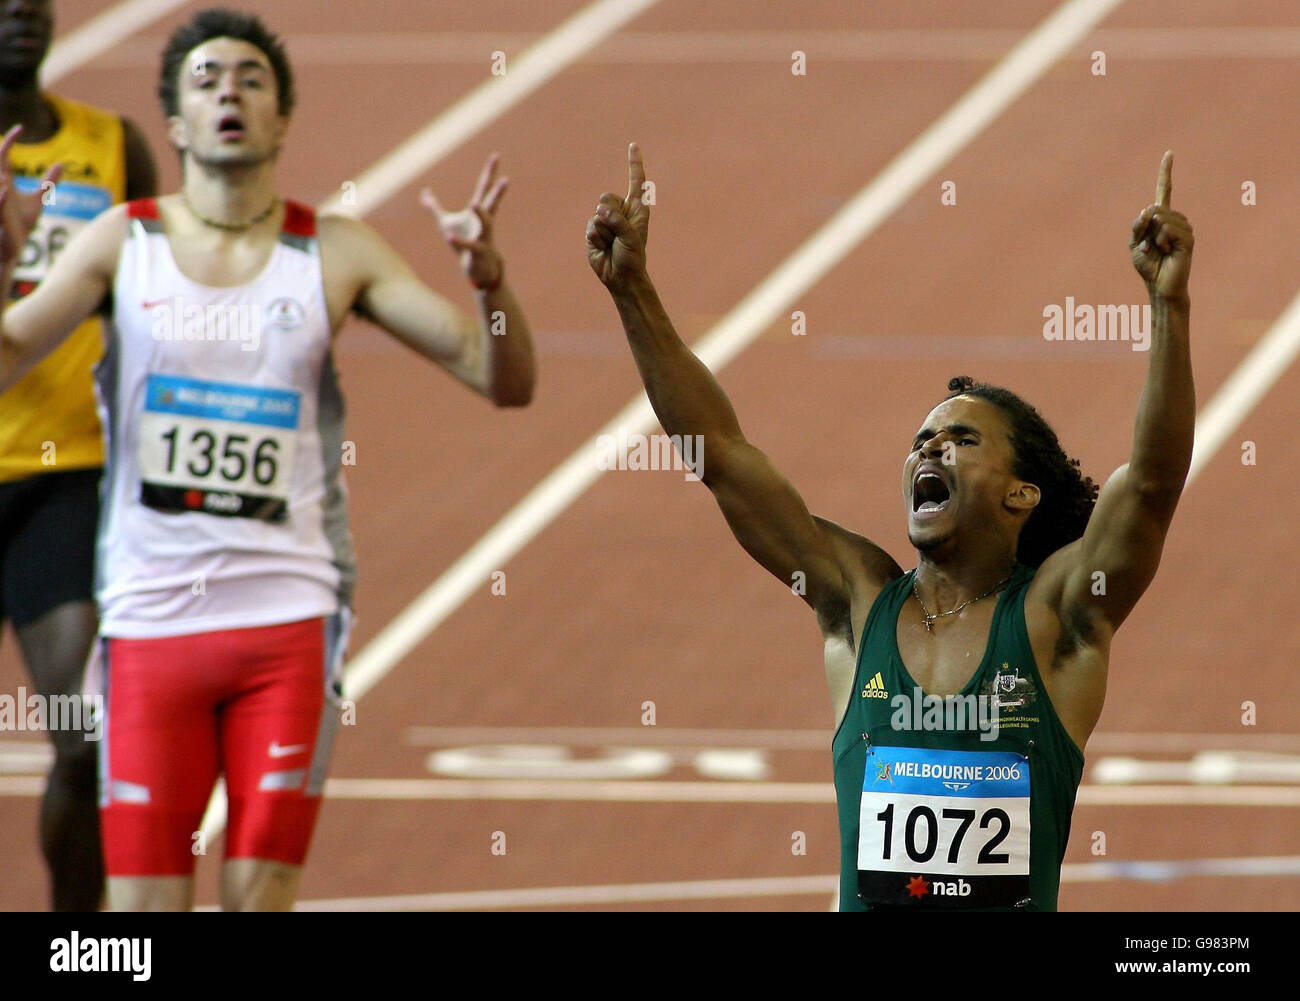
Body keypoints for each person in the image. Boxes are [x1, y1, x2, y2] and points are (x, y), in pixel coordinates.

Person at [0, 7, 535, 912]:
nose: (229, 95)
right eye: (206, 81)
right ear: (174, 123)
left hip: (287, 622)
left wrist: (492, 286)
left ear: (283, 118)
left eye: (251, 79)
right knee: (137, 924)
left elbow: (502, 379)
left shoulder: (334, 250)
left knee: (260, 902)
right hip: (148, 624)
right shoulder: (121, 244)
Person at [585, 143, 1193, 911]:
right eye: (921, 442)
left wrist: (1169, 308)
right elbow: (724, 459)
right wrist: (633, 292)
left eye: (962, 440)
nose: (930, 448)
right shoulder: (857, 599)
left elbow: (1152, 486)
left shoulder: (1057, 619)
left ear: (1022, 495)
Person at [0, 0, 157, 912]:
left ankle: (77, 939)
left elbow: (141, 307)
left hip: (65, 481)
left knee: (84, 737)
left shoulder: (111, 145)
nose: (22, 13)